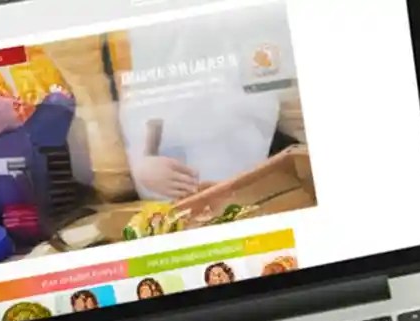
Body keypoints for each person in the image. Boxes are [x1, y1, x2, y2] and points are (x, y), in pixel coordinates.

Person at [116, 4, 304, 201]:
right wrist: (143, 162)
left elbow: (292, 107)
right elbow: (145, 99)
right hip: (178, 197)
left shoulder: (257, 23)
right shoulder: (159, 27)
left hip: (255, 186)